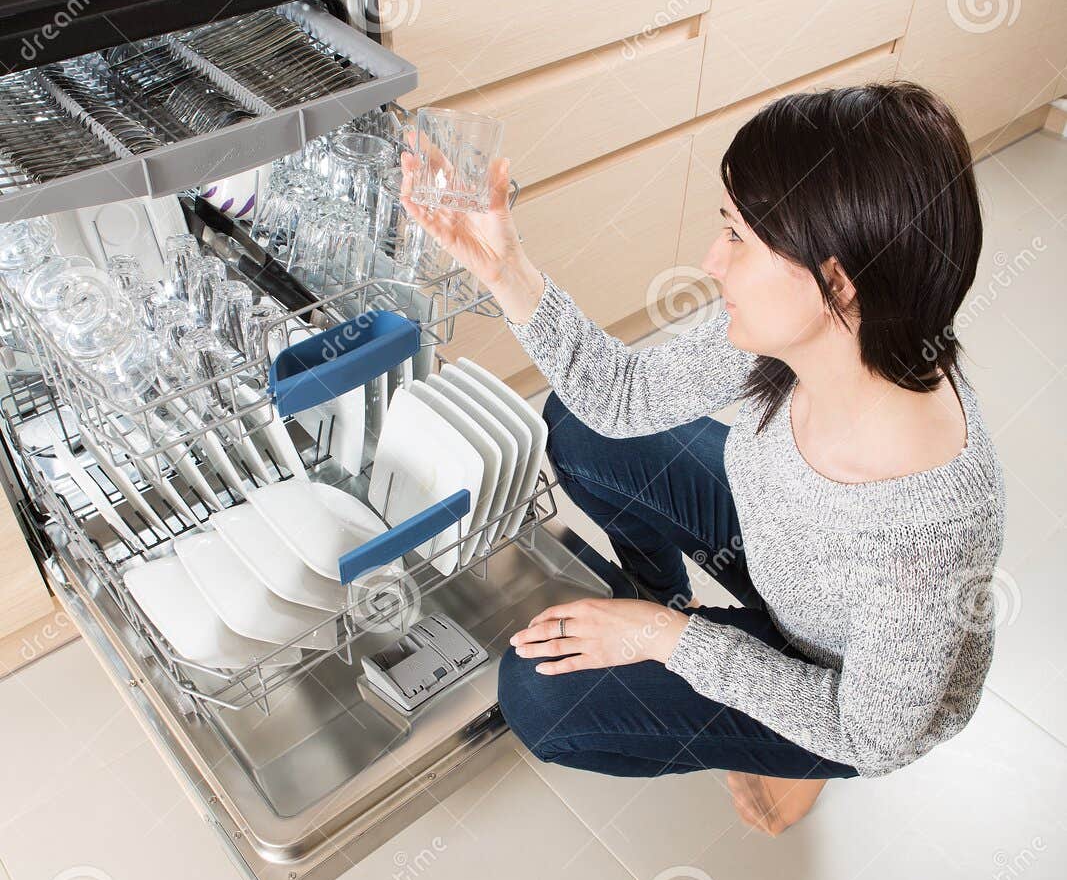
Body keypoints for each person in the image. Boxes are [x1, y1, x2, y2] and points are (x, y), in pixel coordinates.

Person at [399, 82, 1005, 836]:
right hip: (782, 557)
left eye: (740, 240)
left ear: (838, 280)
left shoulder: (930, 526)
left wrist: (662, 638)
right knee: (586, 429)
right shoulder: (825, 325)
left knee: (541, 698)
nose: (712, 262)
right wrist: (503, 268)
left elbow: (874, 735)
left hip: (837, 684)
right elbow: (617, 395)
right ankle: (658, 600)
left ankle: (788, 753)